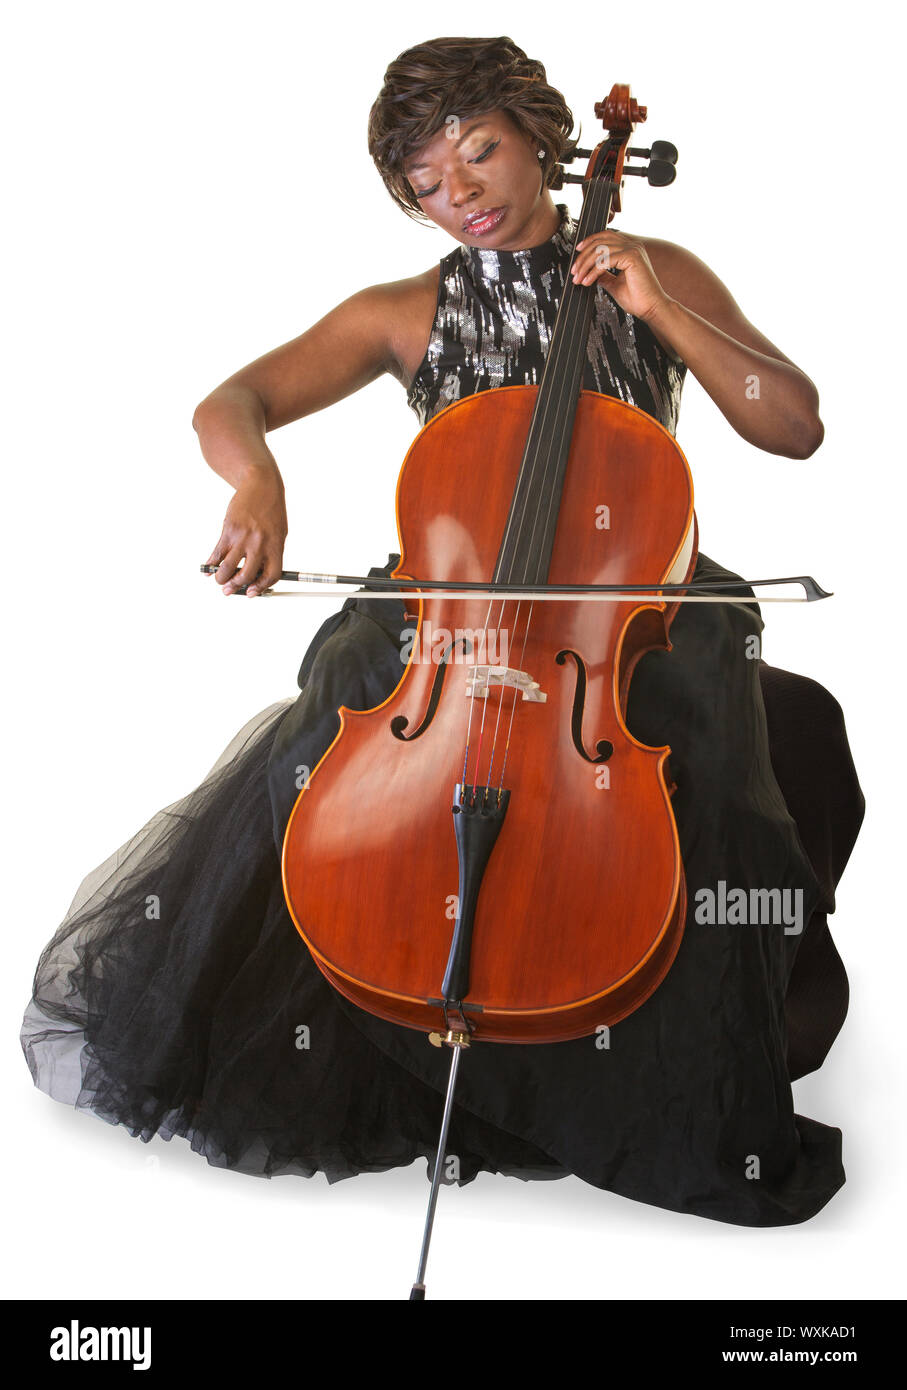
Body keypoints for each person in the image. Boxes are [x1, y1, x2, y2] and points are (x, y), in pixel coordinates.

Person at [20, 36, 864, 1227]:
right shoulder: (403, 312)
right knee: (342, 720)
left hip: (624, 605)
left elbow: (794, 426)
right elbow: (231, 402)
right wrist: (255, 479)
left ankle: (634, 1061)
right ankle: (408, 1009)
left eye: (480, 152)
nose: (459, 192)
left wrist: (659, 308)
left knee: (725, 765)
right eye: (427, 180)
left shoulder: (650, 267)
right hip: (452, 609)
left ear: (540, 140)